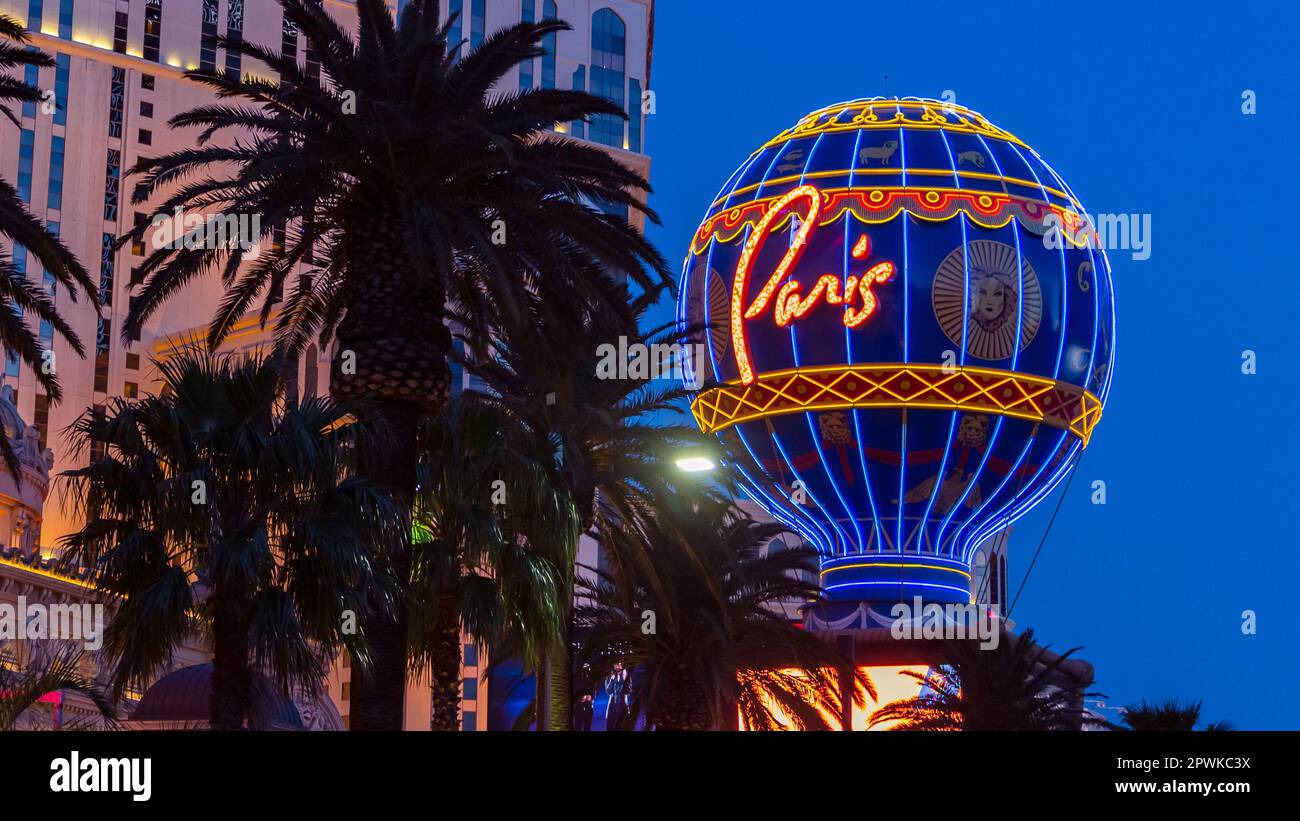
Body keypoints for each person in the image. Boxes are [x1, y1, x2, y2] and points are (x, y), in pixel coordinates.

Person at [604, 663, 631, 730]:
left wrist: (624, 680)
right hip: (612, 707)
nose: (618, 666)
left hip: (622, 706)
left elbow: (628, 691)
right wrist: (612, 680)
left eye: (620, 664)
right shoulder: (609, 676)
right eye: (616, 664)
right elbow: (608, 691)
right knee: (610, 727)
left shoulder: (626, 677)